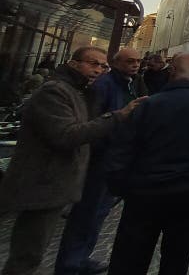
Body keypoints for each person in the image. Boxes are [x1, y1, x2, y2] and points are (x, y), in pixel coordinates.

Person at [0, 47, 141, 275]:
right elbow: (67, 134)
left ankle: (76, 261)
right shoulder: (56, 91)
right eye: (93, 64)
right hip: (45, 181)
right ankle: (70, 264)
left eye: (102, 66)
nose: (98, 70)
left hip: (61, 178)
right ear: (74, 63)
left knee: (42, 242)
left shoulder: (79, 89)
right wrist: (118, 116)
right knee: (29, 251)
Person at [105, 52, 189, 275]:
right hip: (188, 192)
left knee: (130, 256)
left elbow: (122, 148)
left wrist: (122, 187)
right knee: (177, 256)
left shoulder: (147, 104)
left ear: (171, 71)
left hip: (143, 192)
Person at [54, 48, 146, 275]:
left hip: (115, 157)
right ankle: (70, 264)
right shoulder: (103, 86)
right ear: (116, 63)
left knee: (97, 214)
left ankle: (81, 258)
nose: (135, 65)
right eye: (130, 61)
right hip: (101, 159)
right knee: (87, 214)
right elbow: (92, 123)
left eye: (138, 61)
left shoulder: (130, 82)